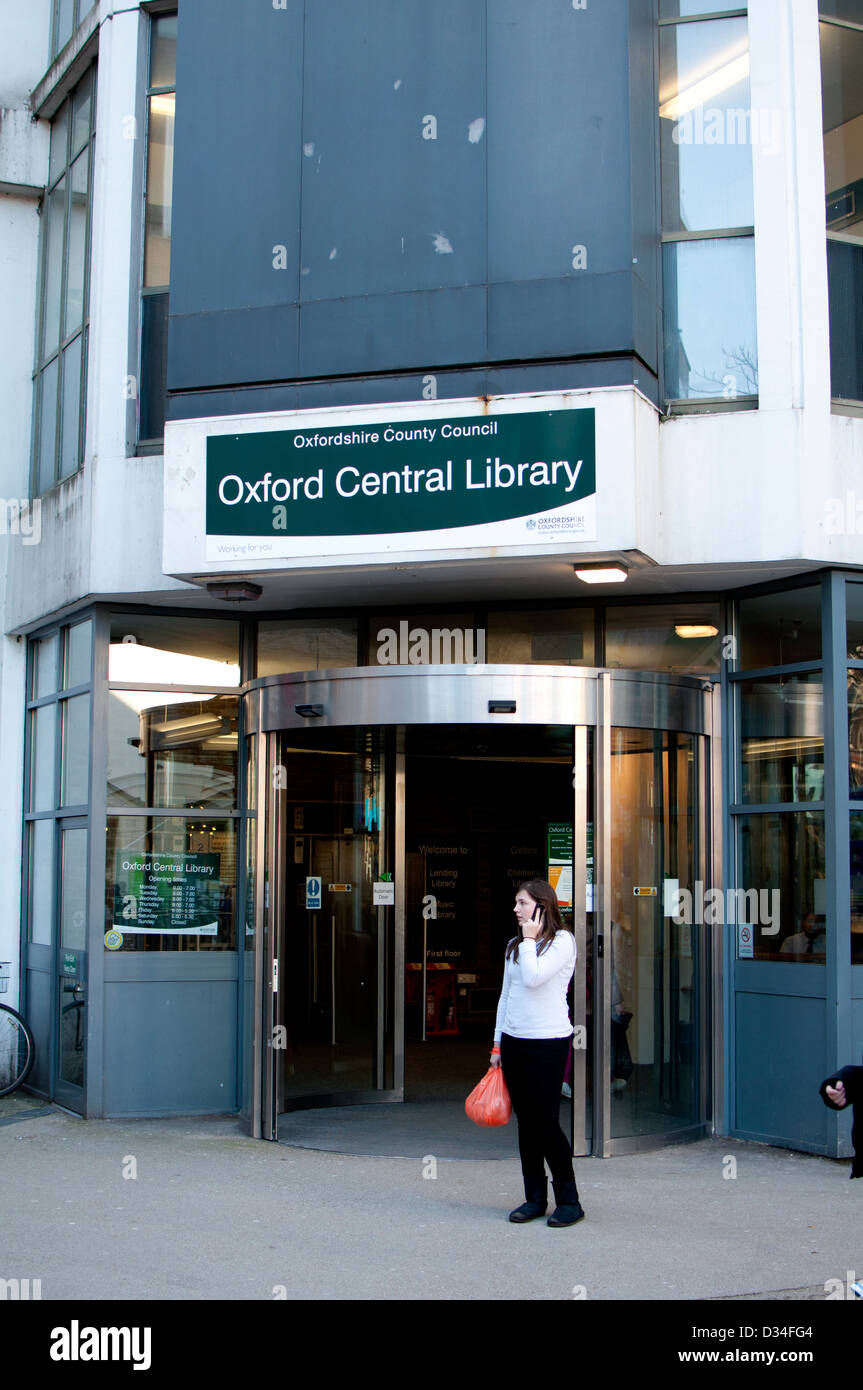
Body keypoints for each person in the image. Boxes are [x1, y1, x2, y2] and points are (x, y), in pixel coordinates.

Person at [490, 878, 583, 1227]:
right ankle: (534, 1198)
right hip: (515, 1041)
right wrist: (497, 1044)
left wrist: (529, 941)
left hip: (548, 1041)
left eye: (523, 903)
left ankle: (570, 1201)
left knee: (545, 1123)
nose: (516, 909)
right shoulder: (515, 945)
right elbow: (506, 995)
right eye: (515, 903)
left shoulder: (562, 942)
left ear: (543, 906)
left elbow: (533, 979)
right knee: (526, 1125)